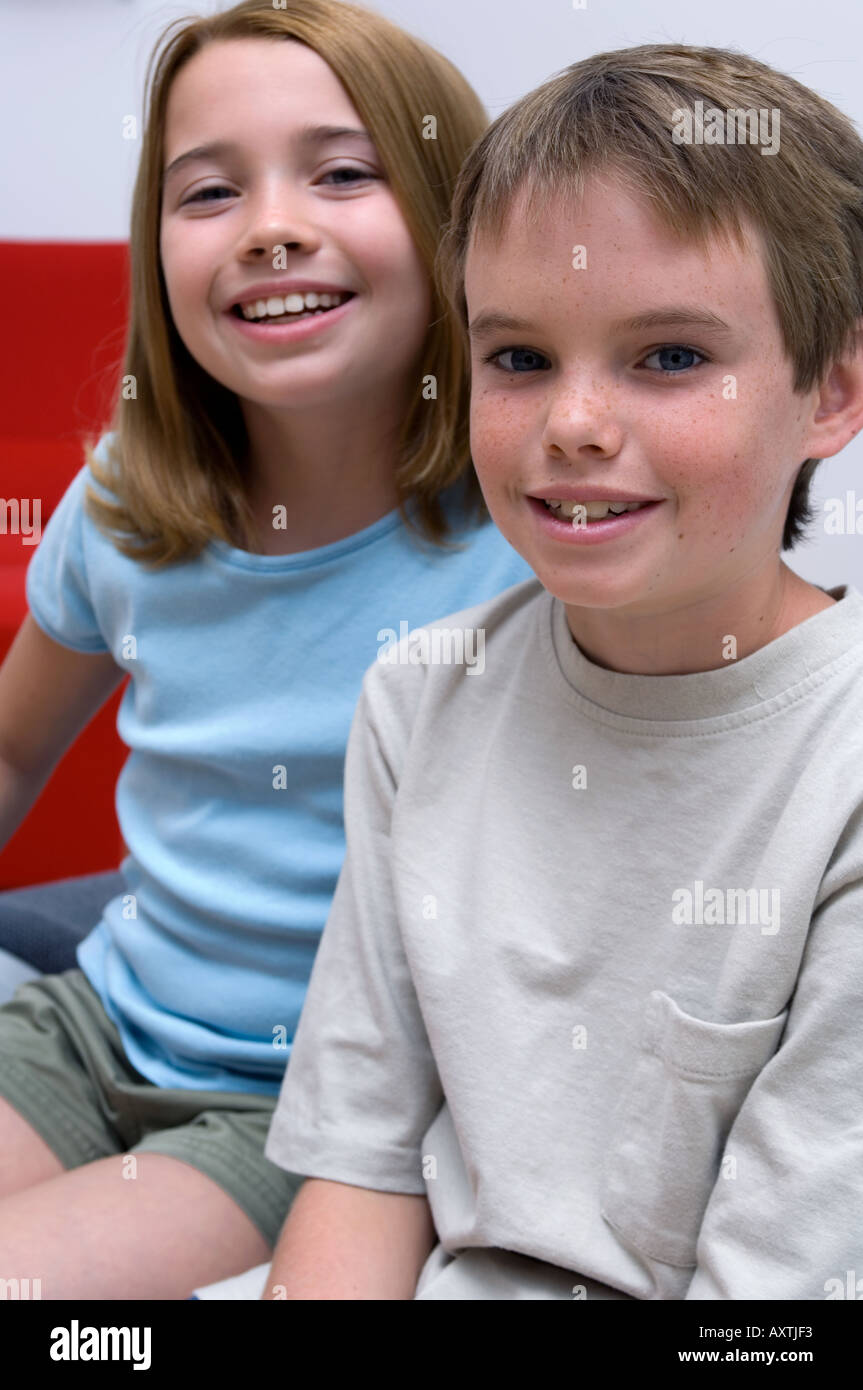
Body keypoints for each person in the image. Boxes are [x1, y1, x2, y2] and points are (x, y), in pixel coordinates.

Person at [263, 42, 863, 1300]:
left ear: (831, 388)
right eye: (519, 359)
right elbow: (363, 1168)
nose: (571, 424)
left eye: (667, 357)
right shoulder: (416, 699)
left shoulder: (839, 765)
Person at [0, 0, 533, 1299]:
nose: (270, 223)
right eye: (207, 191)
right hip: (90, 1023)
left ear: (457, 223)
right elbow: (14, 744)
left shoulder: (530, 533)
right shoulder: (127, 502)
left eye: (341, 173)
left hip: (294, 1103)